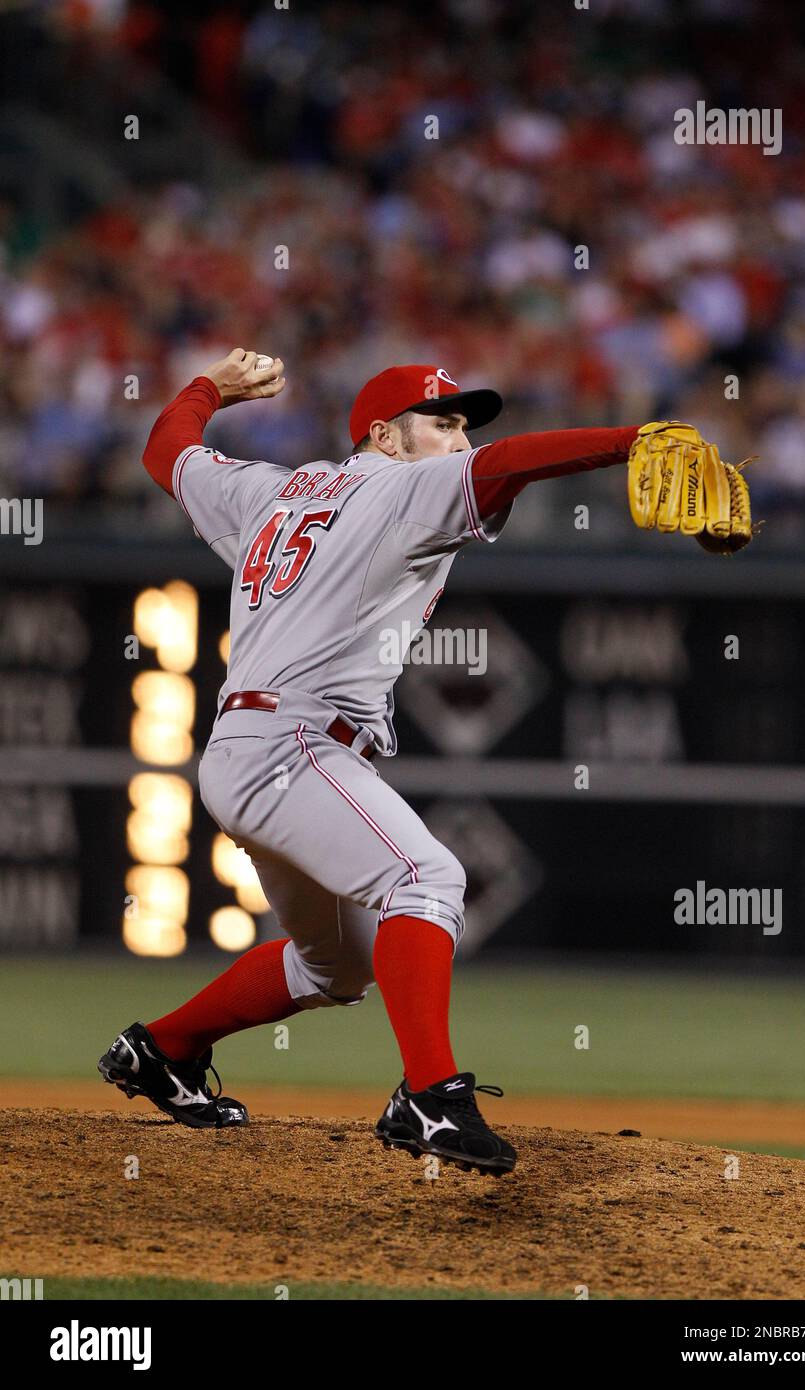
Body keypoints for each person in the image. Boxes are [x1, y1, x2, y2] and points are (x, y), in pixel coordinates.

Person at [99, 348, 646, 1175]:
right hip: (296, 747)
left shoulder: (268, 490)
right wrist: (634, 440)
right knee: (426, 880)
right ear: (385, 436)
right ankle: (429, 1097)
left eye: (465, 424)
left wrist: (207, 389)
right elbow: (511, 463)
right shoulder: (401, 484)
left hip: (241, 755)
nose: (461, 441)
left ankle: (163, 1049)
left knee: (337, 964)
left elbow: (166, 452)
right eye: (445, 422)